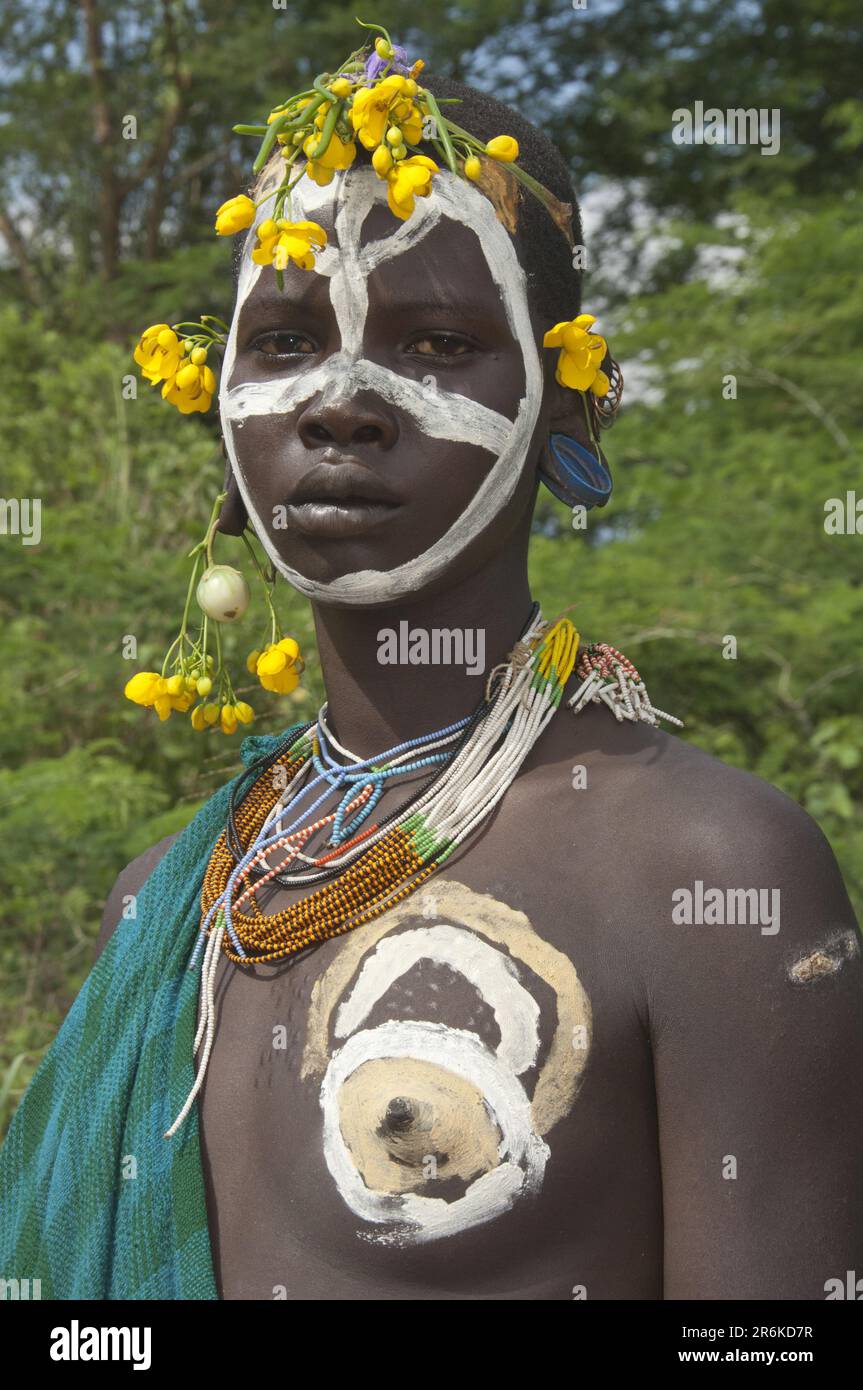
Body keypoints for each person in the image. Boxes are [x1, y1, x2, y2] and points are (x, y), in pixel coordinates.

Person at [2, 37, 861, 1303]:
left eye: (440, 342)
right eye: (284, 340)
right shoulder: (172, 901)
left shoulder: (707, 873)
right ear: (220, 414)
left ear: (566, 407)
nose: (339, 400)